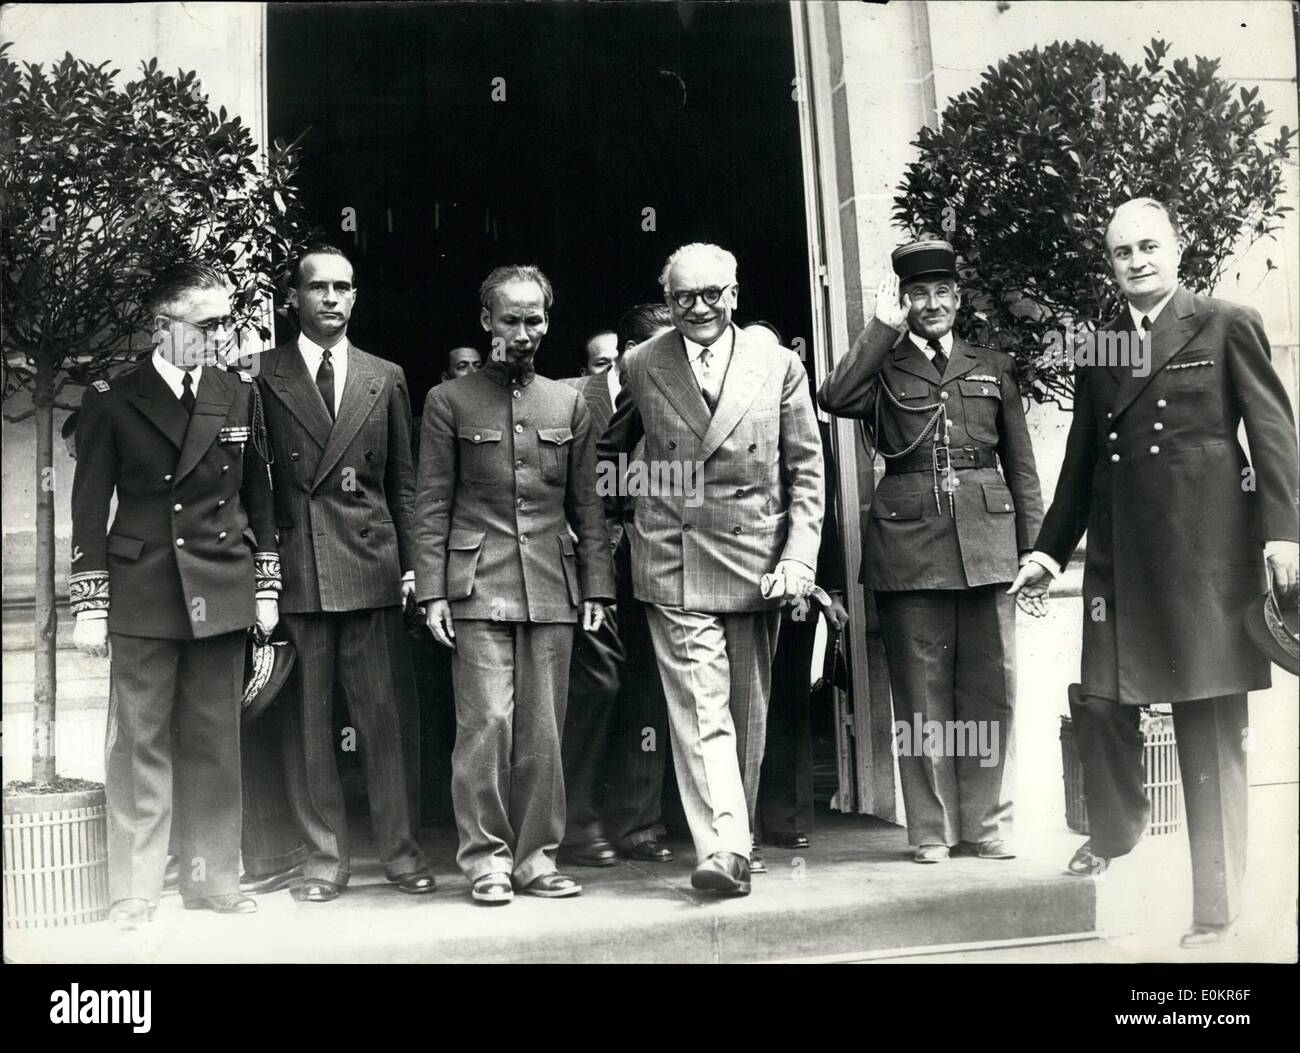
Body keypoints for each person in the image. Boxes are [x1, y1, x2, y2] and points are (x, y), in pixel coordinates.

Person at [1010, 198, 1299, 948]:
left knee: (1209, 736)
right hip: (1117, 556)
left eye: (1148, 247)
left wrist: (1286, 536)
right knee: (1101, 702)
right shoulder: (1101, 345)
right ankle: (1119, 829)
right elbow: (1080, 458)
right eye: (1121, 252)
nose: (1136, 262)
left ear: (1178, 249)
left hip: (1203, 560)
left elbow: (1272, 434)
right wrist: (1047, 550)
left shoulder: (1226, 322)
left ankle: (1218, 909)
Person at [599, 243, 824, 896]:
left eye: (711, 294)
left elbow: (807, 469)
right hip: (675, 562)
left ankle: (736, 839)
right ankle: (723, 846)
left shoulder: (778, 363)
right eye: (682, 298)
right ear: (667, 303)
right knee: (702, 711)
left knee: (744, 716)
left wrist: (800, 556)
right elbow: (610, 448)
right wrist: (632, 513)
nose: (698, 308)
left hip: (757, 564)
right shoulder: (643, 362)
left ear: (735, 291)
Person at [70, 260, 281, 928]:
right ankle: (135, 889)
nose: (222, 334)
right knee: (139, 743)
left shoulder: (238, 392)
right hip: (143, 589)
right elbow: (88, 507)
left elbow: (261, 498)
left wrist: (266, 585)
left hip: (220, 581)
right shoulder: (112, 397)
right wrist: (90, 602)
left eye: (226, 321)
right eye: (207, 323)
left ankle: (211, 876)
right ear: (163, 326)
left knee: (215, 739)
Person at [819, 239, 1043, 864]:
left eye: (942, 292)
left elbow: (1020, 465)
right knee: (920, 693)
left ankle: (987, 823)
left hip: (988, 543)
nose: (932, 303)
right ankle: (930, 829)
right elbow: (833, 396)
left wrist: (1034, 550)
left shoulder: (992, 364)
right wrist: (880, 330)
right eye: (918, 294)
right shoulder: (884, 367)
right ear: (903, 302)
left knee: (990, 690)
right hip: (910, 545)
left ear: (958, 297)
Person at [240, 243, 434, 902]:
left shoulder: (386, 375)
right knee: (308, 728)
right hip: (300, 569)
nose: (330, 298)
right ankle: (325, 860)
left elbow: (403, 486)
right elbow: (253, 486)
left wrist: (416, 570)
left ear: (356, 297)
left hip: (373, 568)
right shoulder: (261, 375)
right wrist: (265, 574)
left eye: (343, 286)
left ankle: (402, 853)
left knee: (386, 723)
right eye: (317, 286)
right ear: (292, 298)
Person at [415, 264, 614, 905]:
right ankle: (486, 860)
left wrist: (598, 590)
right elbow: (430, 503)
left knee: (543, 730)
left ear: (547, 322)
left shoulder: (570, 401)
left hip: (553, 586)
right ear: (486, 322)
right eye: (510, 320)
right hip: (477, 586)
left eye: (535, 319)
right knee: (487, 725)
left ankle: (536, 858)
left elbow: (588, 505)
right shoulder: (449, 401)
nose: (523, 333)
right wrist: (433, 593)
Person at [559, 302, 676, 866]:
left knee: (650, 689)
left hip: (654, 557)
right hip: (589, 562)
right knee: (594, 687)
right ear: (629, 354)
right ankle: (575, 820)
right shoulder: (571, 396)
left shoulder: (676, 391)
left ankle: (638, 824)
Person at [744, 323, 850, 851]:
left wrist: (827, 591)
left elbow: (821, 515)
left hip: (797, 588)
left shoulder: (810, 430)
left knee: (788, 699)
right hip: (737, 581)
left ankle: (784, 816)